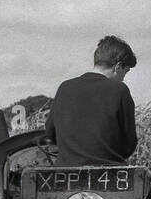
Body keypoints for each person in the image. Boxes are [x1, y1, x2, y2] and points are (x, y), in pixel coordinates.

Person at [45, 36, 138, 165]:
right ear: (118, 67)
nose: (123, 79)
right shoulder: (119, 90)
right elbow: (129, 145)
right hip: (110, 174)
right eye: (125, 72)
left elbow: (50, 134)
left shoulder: (65, 87)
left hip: (66, 173)